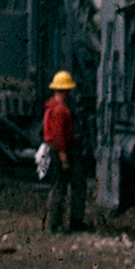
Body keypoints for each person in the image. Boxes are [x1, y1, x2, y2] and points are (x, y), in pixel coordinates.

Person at [42, 69, 83, 233]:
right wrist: (64, 158)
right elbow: (59, 136)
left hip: (57, 150)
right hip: (62, 151)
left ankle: (56, 223)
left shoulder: (51, 107)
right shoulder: (60, 110)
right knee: (63, 188)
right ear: (66, 90)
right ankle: (58, 224)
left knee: (58, 187)